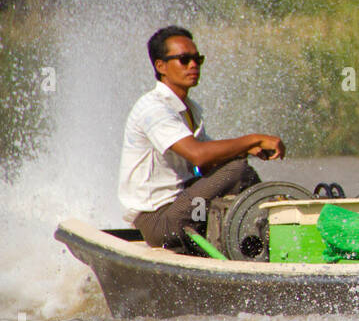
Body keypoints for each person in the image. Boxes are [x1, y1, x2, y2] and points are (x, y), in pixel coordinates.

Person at [118, 26, 285, 251]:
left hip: (184, 207)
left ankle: (272, 227)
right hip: (160, 220)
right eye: (184, 60)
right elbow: (198, 156)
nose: (193, 65)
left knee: (239, 170)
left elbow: (208, 163)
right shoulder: (154, 108)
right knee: (237, 170)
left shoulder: (190, 109)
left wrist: (246, 149)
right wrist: (252, 140)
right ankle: (273, 234)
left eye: (198, 59)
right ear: (161, 66)